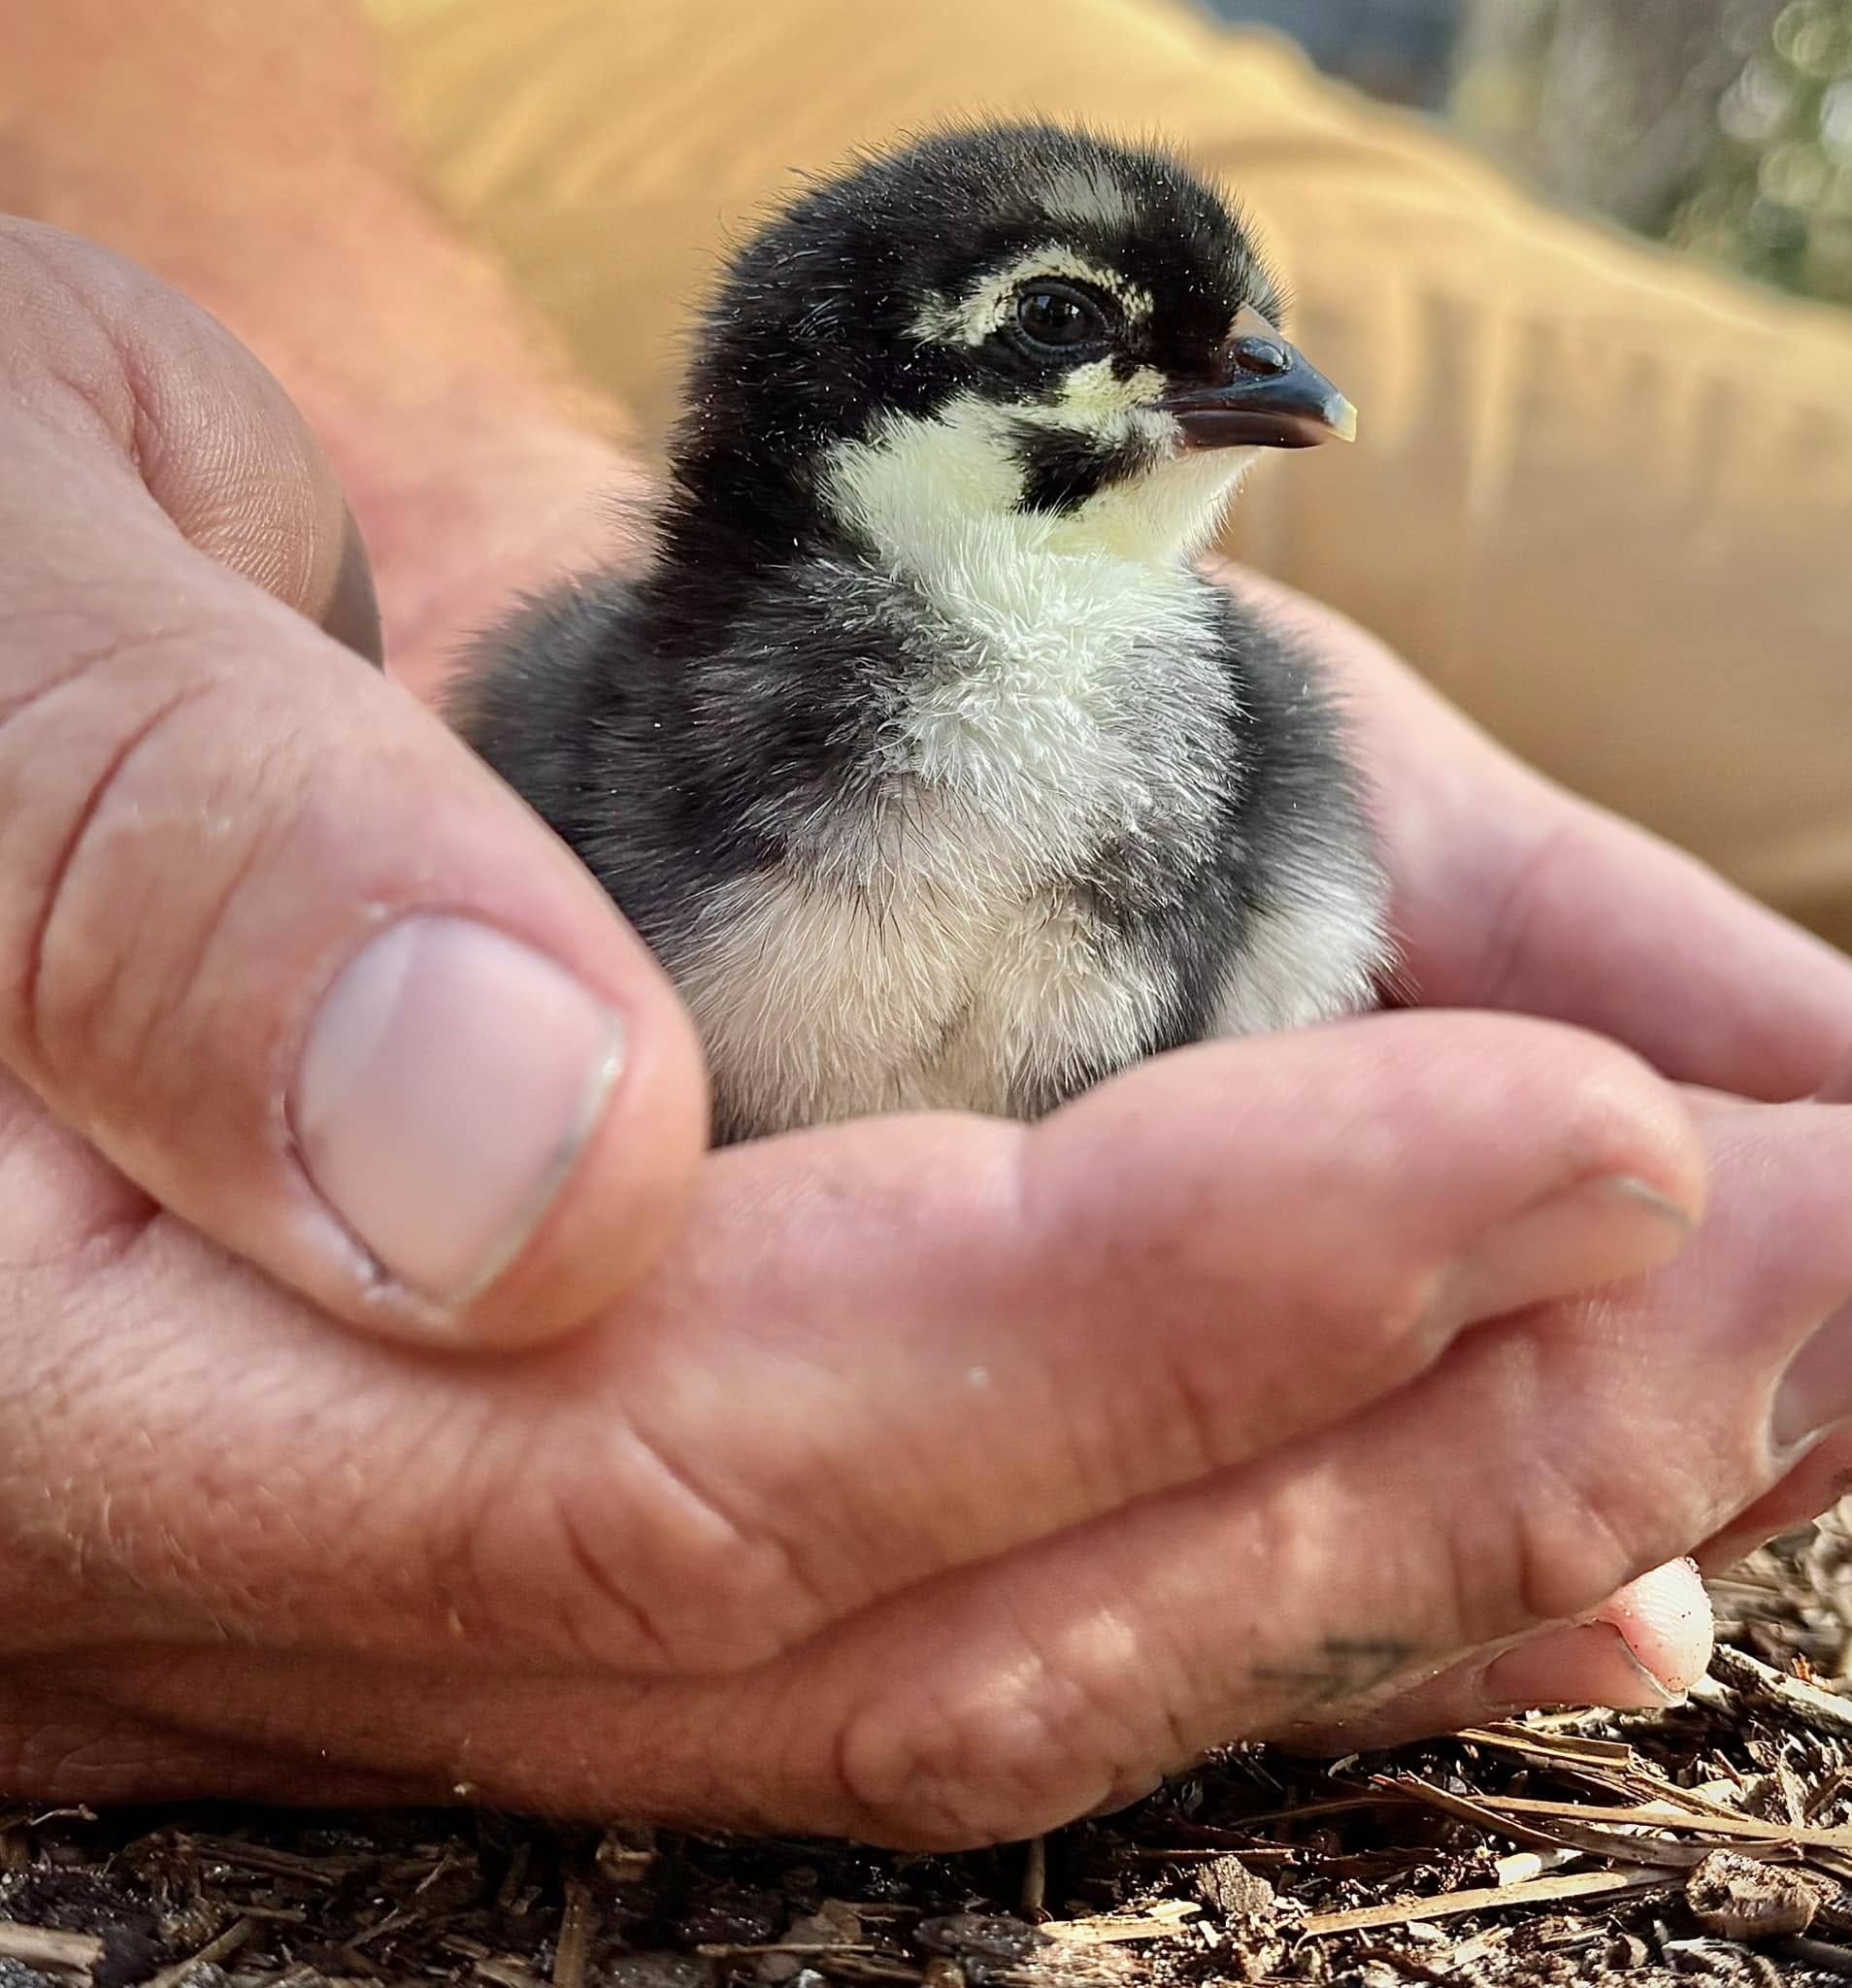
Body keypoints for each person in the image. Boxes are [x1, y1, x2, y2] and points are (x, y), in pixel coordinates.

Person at [0, 0, 1848, 1846]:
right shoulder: (664, 738)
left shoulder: (1236, 774)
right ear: (841, 398)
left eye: (1207, 343)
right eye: (1068, 333)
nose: (1247, 379)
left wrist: (408, 441)